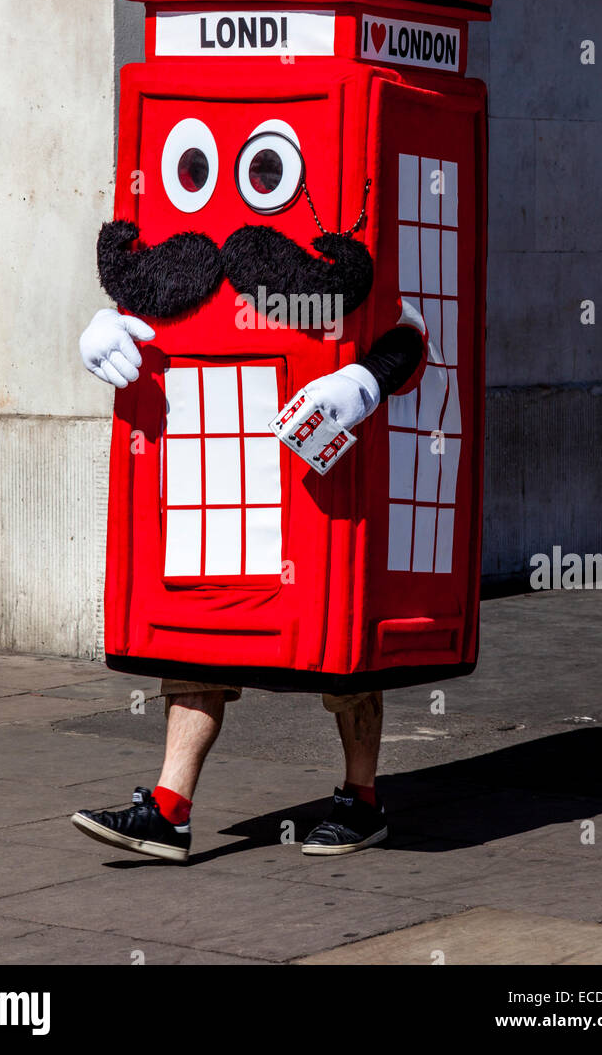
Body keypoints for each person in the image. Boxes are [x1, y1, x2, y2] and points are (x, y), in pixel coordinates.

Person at [71, 311, 393, 863]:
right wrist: (105, 324)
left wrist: (367, 378)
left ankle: (360, 800)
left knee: (338, 637)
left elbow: (410, 325)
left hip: (317, 459)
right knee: (197, 628)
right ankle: (169, 810)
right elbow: (154, 299)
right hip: (219, 453)